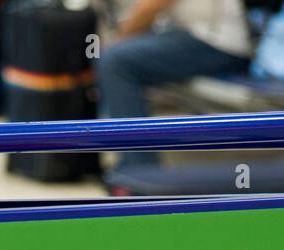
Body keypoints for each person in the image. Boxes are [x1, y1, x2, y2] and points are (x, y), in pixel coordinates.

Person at [97, 0, 253, 144]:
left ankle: (137, 167)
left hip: (216, 44)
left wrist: (115, 41)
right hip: (196, 37)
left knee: (115, 62)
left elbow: (150, 9)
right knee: (115, 58)